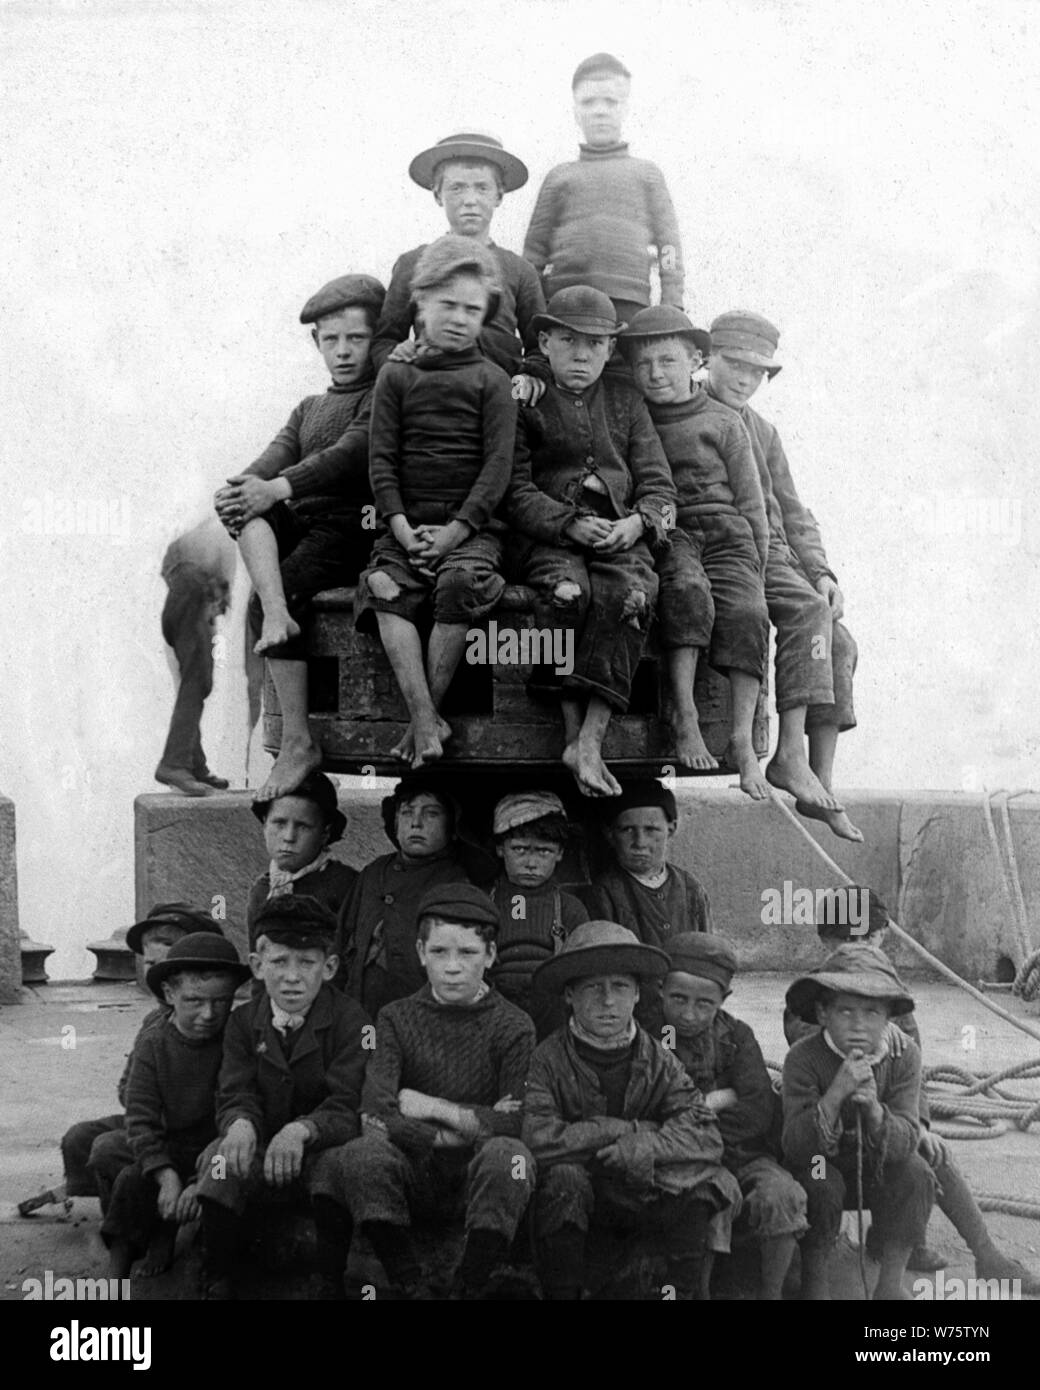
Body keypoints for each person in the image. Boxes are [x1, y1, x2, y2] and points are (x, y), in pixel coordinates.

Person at [784, 885, 1040, 1293]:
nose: (859, 945)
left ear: (883, 936)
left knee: (926, 1154)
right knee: (822, 1178)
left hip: (882, 1124)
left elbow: (912, 1077)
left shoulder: (891, 1002)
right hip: (830, 1137)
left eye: (867, 937)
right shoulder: (814, 1003)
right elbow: (816, 1055)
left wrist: (920, 1125)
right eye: (847, 938)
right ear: (826, 941)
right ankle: (833, 1257)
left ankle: (980, 1252)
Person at [213, 274, 386, 800]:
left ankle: (298, 743)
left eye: (355, 338)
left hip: (351, 526)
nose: (343, 351)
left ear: (375, 340)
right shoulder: (309, 408)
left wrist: (274, 488)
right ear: (316, 343)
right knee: (250, 514)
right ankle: (277, 607)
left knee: (282, 584)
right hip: (304, 524)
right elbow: (272, 458)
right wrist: (239, 489)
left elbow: (348, 455)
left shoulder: (383, 395)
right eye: (331, 340)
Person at [506, 286, 676, 797]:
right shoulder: (524, 400)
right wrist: (565, 523)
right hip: (548, 536)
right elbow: (509, 489)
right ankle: (570, 733)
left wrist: (640, 524)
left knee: (631, 597)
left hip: (619, 533)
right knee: (566, 595)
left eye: (596, 344)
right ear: (545, 341)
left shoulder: (627, 401)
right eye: (568, 340)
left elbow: (661, 488)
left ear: (609, 349)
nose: (582, 355)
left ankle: (592, 740)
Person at [354, 236, 516, 770]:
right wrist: (400, 529)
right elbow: (381, 460)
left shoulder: (492, 380)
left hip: (471, 531)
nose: (459, 319)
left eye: (473, 309)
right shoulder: (396, 376)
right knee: (385, 586)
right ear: (419, 304)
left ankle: (428, 715)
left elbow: (497, 469)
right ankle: (423, 717)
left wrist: (455, 532)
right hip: (405, 526)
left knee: (459, 583)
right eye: (447, 306)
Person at [337, 884, 536, 1299]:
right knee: (360, 1154)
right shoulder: (394, 1018)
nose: (452, 967)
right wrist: (472, 1122)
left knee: (511, 1156)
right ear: (420, 952)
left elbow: (517, 1121)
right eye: (440, 952)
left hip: (477, 1176)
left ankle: (472, 1280)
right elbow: (377, 1109)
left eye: (467, 953)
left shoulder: (514, 1025)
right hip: (415, 1171)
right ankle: (408, 1279)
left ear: (491, 956)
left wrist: (431, 1107)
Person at [523, 920, 739, 1300]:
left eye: (620, 987)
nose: (608, 1001)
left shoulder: (657, 1057)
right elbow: (537, 1138)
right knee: (565, 1179)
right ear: (570, 995)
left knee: (707, 1180)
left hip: (642, 1190)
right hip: (582, 1198)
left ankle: (681, 1292)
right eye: (593, 988)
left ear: (638, 995)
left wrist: (642, 1143)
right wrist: (612, 1130)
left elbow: (704, 1132)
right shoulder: (548, 1058)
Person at [706, 311, 860, 840]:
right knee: (807, 613)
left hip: (780, 556)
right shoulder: (689, 409)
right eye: (734, 364)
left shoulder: (763, 431)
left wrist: (820, 570)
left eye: (757, 371)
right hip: (734, 551)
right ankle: (788, 754)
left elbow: (795, 511)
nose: (745, 379)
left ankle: (821, 780)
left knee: (838, 642)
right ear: (708, 356)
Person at [621, 307, 770, 790]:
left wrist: (758, 565)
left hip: (729, 533)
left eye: (667, 362)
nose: (655, 374)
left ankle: (742, 740)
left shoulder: (725, 421)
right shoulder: (634, 418)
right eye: (644, 366)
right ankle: (684, 716)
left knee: (748, 611)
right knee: (685, 591)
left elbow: (752, 501)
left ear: (695, 363)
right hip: (673, 529)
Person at [194, 897, 371, 1299]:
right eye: (279, 962)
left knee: (339, 1169)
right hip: (259, 1145)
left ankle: (329, 1280)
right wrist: (240, 1123)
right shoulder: (242, 1023)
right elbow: (234, 1089)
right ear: (257, 965)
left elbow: (348, 1102)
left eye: (306, 963)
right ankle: (217, 1272)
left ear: (329, 968)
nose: (292, 977)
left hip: (319, 1148)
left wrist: (303, 1130)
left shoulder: (352, 1021)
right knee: (222, 1162)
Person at [17, 903, 223, 1220]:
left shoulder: (208, 1024)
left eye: (166, 965)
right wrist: (140, 1093)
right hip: (151, 1119)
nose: (154, 975)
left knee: (106, 1147)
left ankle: (139, 1210)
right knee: (78, 1138)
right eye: (150, 964)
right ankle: (86, 1185)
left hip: (187, 1130)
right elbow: (128, 1086)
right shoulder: (155, 1022)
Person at [782, 944, 936, 1300]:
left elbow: (908, 1137)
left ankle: (889, 1284)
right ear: (822, 1014)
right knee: (821, 1181)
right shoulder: (802, 1058)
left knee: (917, 1173)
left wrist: (876, 1112)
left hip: (876, 1165)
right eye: (845, 1011)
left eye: (871, 1012)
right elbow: (795, 1147)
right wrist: (835, 1095)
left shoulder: (905, 1056)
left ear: (888, 1019)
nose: (858, 1025)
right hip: (822, 1165)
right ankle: (815, 1283)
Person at [659, 934, 807, 1300]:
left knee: (782, 1194)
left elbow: (757, 1108)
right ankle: (701, 1291)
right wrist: (719, 1099)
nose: (689, 1014)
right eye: (678, 999)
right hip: (686, 1159)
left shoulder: (738, 1037)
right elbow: (656, 1110)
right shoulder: (651, 1039)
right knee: (709, 1198)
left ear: (723, 1000)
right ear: (659, 990)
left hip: (745, 1153)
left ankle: (771, 1292)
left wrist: (701, 1116)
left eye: (704, 1003)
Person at [101, 934, 250, 1280]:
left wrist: (199, 1180)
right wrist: (166, 1175)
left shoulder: (234, 1040)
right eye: (194, 1001)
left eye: (221, 1002)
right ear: (170, 995)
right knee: (130, 1180)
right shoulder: (154, 1044)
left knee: (219, 1184)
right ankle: (118, 1266)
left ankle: (208, 1265)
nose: (209, 1014)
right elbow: (140, 1118)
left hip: (216, 1148)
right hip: (169, 1143)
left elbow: (239, 1104)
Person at [523, 52, 685, 323]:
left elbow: (670, 248)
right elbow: (533, 255)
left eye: (611, 102)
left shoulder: (647, 174)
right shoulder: (559, 177)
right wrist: (533, 312)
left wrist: (672, 304)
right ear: (576, 111)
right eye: (588, 102)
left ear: (625, 108)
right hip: (565, 305)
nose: (600, 111)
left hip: (629, 306)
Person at [371, 131, 543, 379]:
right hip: (431, 393)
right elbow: (385, 340)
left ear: (499, 195)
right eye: (457, 188)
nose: (470, 200)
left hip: (502, 398)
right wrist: (399, 362)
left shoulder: (520, 270)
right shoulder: (413, 263)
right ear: (438, 195)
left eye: (482, 188)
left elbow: (540, 347)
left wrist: (527, 380)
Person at [334, 774, 494, 1017]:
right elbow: (341, 937)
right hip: (361, 1011)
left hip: (424, 1016)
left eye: (431, 814)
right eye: (407, 813)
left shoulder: (455, 883)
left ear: (452, 828)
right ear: (395, 823)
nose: (416, 823)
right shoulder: (374, 873)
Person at [482, 790, 588, 1039]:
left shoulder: (570, 909)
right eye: (519, 849)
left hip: (553, 1023)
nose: (531, 862)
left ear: (560, 853)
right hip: (491, 1018)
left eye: (543, 851)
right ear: (500, 849)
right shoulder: (482, 902)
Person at [580, 780, 712, 973]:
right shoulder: (604, 892)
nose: (640, 842)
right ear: (609, 834)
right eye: (627, 830)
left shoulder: (690, 887)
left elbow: (706, 948)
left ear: (671, 828)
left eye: (651, 830)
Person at [155, 517, 235, 796]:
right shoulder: (220, 531)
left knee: (195, 682)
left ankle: (193, 764)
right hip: (193, 593)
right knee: (197, 680)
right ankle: (174, 763)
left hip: (185, 596)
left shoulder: (192, 537)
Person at [245, 770, 356, 954]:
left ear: (325, 833)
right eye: (279, 824)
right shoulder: (261, 891)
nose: (289, 837)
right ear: (264, 824)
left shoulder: (345, 885)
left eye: (303, 826)